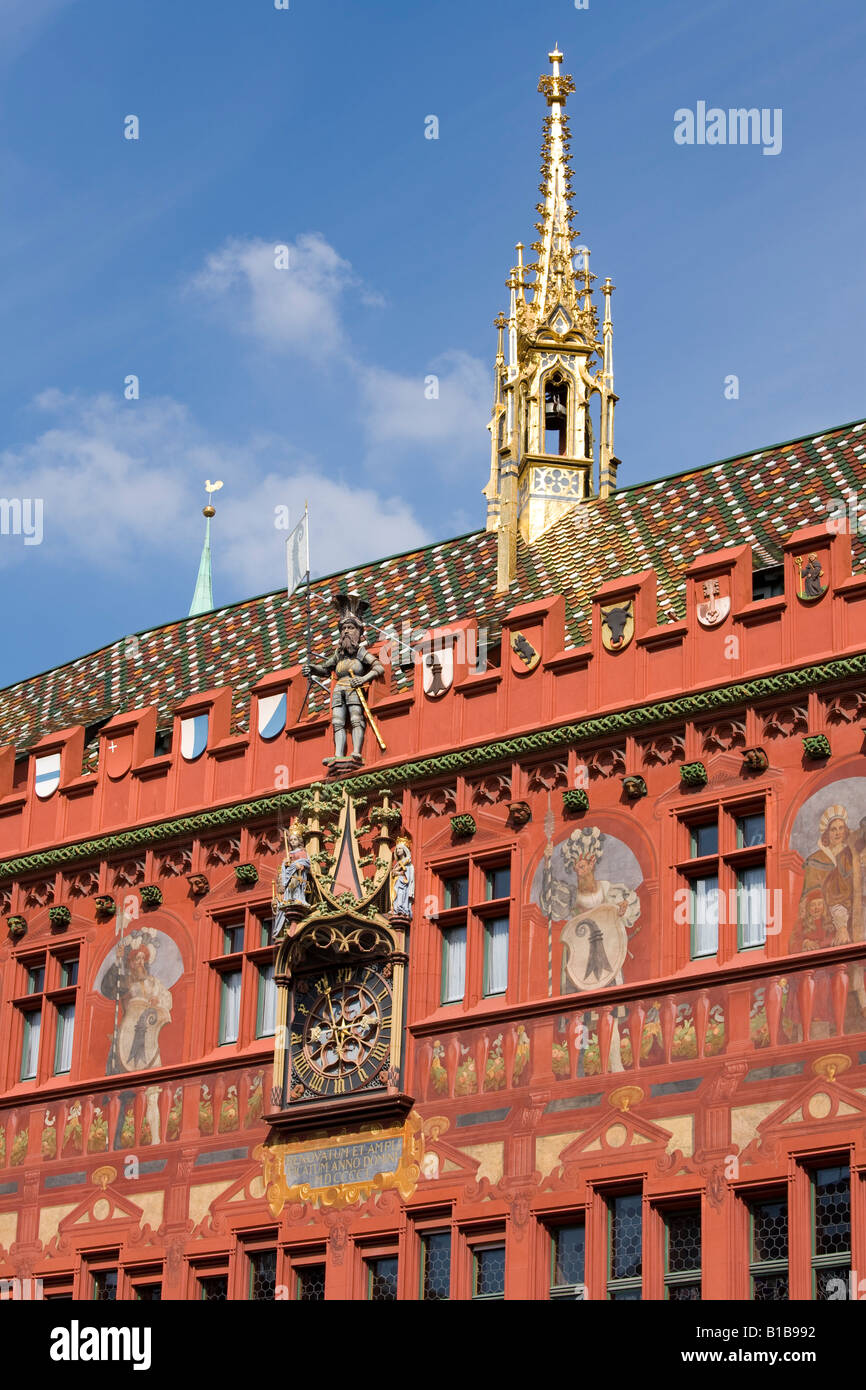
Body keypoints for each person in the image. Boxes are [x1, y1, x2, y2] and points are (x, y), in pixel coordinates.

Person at [303, 593, 383, 762]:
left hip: (353, 687)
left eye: (351, 628)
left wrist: (363, 679)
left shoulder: (360, 652)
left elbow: (378, 667)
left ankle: (356, 752)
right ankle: (338, 755)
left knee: (356, 718)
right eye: (344, 628)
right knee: (337, 722)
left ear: (358, 632)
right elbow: (325, 670)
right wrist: (312, 669)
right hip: (339, 689)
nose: (346, 631)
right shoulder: (338, 654)